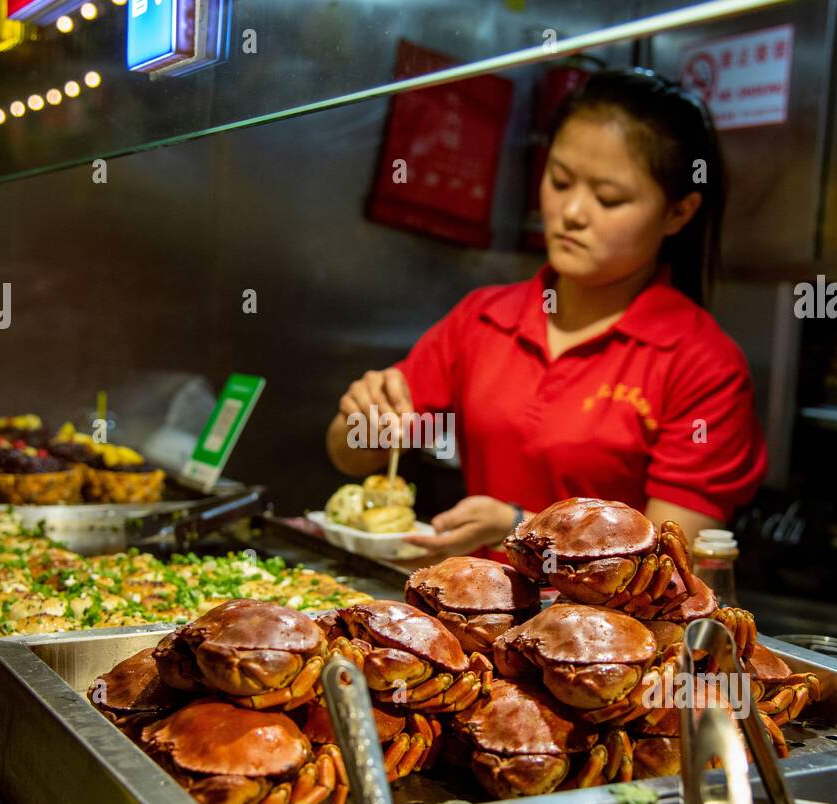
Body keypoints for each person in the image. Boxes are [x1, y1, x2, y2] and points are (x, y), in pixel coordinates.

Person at [326, 68, 767, 559]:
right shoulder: (486, 318)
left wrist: (521, 527)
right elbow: (350, 455)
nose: (572, 212)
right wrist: (364, 419)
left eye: (608, 198)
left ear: (678, 213)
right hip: (477, 617)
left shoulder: (701, 363)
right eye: (559, 181)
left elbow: (671, 562)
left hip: (611, 633)